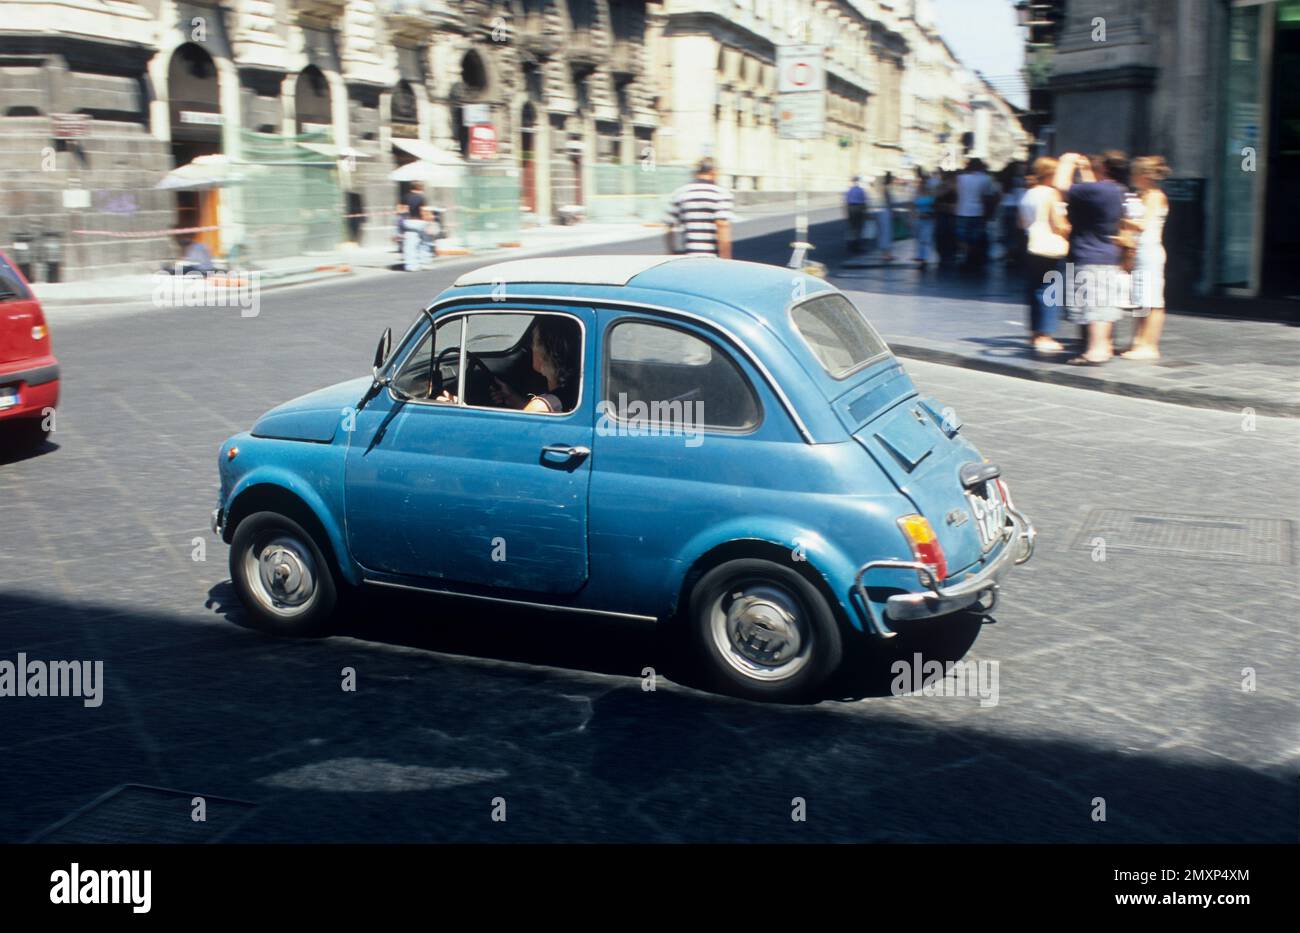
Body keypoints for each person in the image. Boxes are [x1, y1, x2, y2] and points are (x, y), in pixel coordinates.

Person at [1054, 150, 1129, 365]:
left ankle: (1095, 352)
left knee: (1094, 306)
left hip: (1089, 254)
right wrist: (1086, 170)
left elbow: (1061, 186)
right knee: (1102, 305)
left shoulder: (1097, 191)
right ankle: (1102, 348)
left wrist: (1067, 161)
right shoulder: (1116, 190)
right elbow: (1088, 190)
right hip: (1106, 254)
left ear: (1104, 168)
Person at [1018, 156, 1070, 354]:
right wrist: (1069, 229)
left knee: (1033, 289)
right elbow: (1058, 224)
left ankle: (1034, 333)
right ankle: (1045, 336)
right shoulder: (1051, 194)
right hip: (1049, 247)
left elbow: (1021, 223)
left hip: (1031, 245)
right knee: (1050, 289)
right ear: (1050, 174)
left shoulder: (1028, 194)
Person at [1123, 155, 1171, 360]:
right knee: (1142, 299)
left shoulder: (1154, 196)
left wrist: (1119, 219)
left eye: (1135, 172)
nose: (1132, 176)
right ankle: (1139, 341)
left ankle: (1150, 345)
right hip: (1142, 249)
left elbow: (1144, 225)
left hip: (1150, 251)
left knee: (1152, 300)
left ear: (1144, 175)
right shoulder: (1144, 195)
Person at [666, 158, 734, 258]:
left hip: (688, 258)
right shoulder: (721, 194)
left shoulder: (681, 193)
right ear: (713, 172)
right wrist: (726, 259)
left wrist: (671, 253)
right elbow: (722, 225)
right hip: (712, 259)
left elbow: (669, 226)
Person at [955, 158, 998, 270]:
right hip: (978, 211)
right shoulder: (986, 179)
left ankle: (963, 257)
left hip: (962, 210)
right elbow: (988, 196)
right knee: (975, 238)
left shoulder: (960, 178)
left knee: (962, 237)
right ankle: (972, 259)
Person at [401, 182, 429, 271]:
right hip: (420, 222)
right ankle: (424, 263)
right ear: (420, 188)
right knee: (424, 243)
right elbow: (423, 211)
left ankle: (410, 265)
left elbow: (400, 210)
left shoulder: (405, 197)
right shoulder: (421, 198)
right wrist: (428, 221)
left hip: (408, 222)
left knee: (410, 244)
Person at [912, 166, 937, 266]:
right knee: (919, 239)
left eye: (925, 181)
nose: (923, 183)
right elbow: (913, 205)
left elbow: (935, 205)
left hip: (929, 219)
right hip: (919, 218)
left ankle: (924, 258)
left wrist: (930, 213)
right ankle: (920, 256)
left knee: (925, 239)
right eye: (922, 181)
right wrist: (913, 216)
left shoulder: (932, 192)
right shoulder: (917, 191)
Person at [845, 176, 869, 254]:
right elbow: (864, 202)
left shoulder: (849, 190)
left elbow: (846, 202)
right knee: (859, 228)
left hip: (851, 208)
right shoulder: (861, 190)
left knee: (852, 227)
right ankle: (857, 245)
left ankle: (851, 244)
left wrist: (847, 213)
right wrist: (866, 213)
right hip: (859, 208)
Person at [876, 171, 895, 262]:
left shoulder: (883, 187)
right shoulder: (887, 188)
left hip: (882, 211)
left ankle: (886, 254)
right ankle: (886, 255)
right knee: (886, 233)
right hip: (886, 212)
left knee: (884, 233)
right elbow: (889, 202)